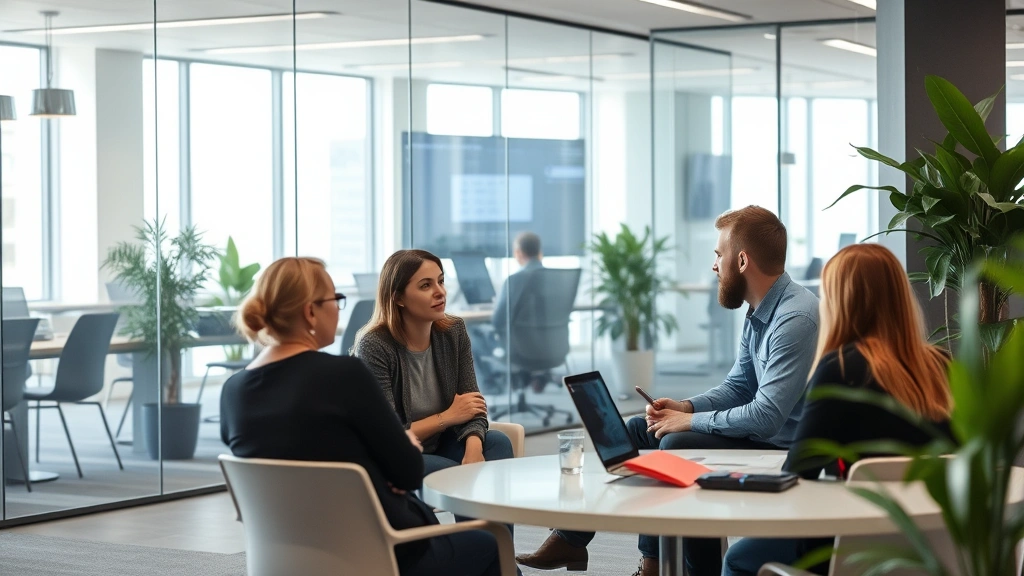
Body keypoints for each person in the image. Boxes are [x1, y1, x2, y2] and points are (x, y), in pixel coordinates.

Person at [516, 206, 821, 576]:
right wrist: (684, 406)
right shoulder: (760, 311)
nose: (714, 265)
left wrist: (689, 421)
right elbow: (739, 385)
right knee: (640, 429)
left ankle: (696, 571)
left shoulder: (795, 317)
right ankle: (614, 551)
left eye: (717, 254)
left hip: (780, 444)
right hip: (762, 430)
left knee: (676, 444)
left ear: (741, 260)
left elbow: (767, 416)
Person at [220, 257, 505, 576]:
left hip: (287, 555)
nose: (339, 308)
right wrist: (401, 449)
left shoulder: (233, 391)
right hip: (384, 552)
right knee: (489, 544)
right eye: (336, 299)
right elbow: (408, 473)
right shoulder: (343, 376)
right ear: (309, 311)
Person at [722, 243, 953, 576]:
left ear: (842, 303)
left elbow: (796, 475)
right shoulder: (943, 365)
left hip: (853, 548)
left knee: (738, 558)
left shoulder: (840, 368)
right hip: (933, 546)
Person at [353, 249, 514, 478]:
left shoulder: (453, 331)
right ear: (398, 298)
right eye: (425, 286)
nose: (440, 293)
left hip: (441, 443)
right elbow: (388, 435)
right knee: (450, 476)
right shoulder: (375, 346)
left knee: (497, 442)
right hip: (399, 453)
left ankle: (482, 515)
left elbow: (472, 406)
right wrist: (448, 417)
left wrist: (473, 451)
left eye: (441, 281)